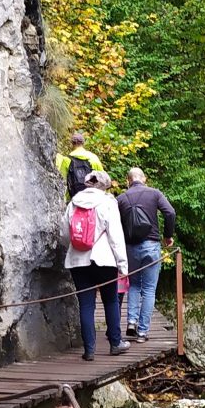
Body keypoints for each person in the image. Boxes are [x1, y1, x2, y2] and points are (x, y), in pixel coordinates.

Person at [64, 168, 130, 360]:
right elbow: (116, 236)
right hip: (104, 260)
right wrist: (123, 265)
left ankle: (89, 350)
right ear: (105, 186)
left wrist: (75, 247)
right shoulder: (108, 202)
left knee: (86, 304)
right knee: (110, 300)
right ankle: (115, 343)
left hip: (78, 260)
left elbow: (64, 233)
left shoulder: (73, 203)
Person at [117, 168, 176, 342]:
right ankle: (142, 332)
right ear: (144, 178)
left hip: (130, 248)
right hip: (151, 245)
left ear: (128, 180)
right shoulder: (154, 194)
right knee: (149, 289)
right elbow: (170, 213)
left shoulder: (121, 198)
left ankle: (131, 322)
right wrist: (167, 235)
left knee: (134, 285)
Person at [55, 129, 106, 199]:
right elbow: (103, 179)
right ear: (83, 143)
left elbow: (62, 180)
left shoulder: (67, 160)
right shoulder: (93, 158)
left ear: (71, 144)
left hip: (74, 198)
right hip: (92, 198)